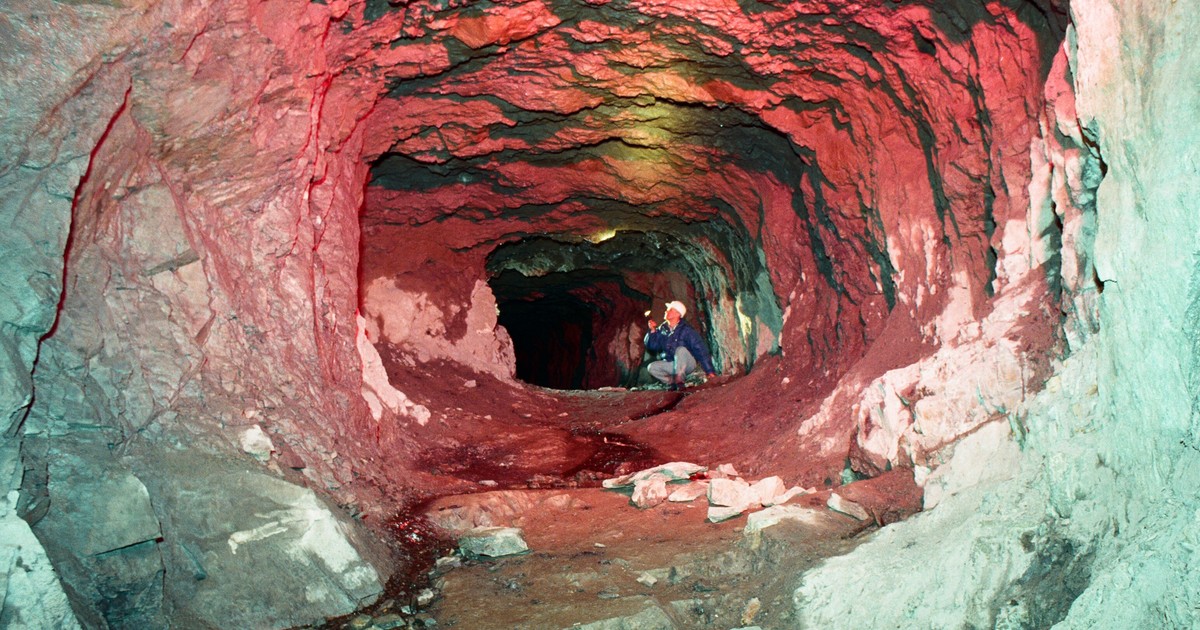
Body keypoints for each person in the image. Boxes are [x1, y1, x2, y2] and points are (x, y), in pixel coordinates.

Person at [644, 300, 717, 391]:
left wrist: (710, 371)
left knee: (681, 350)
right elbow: (653, 346)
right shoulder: (663, 329)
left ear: (678, 314)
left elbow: (700, 349)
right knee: (652, 367)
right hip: (673, 364)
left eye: (670, 310)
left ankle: (679, 381)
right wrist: (652, 331)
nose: (666, 311)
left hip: (688, 364)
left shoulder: (686, 330)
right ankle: (672, 382)